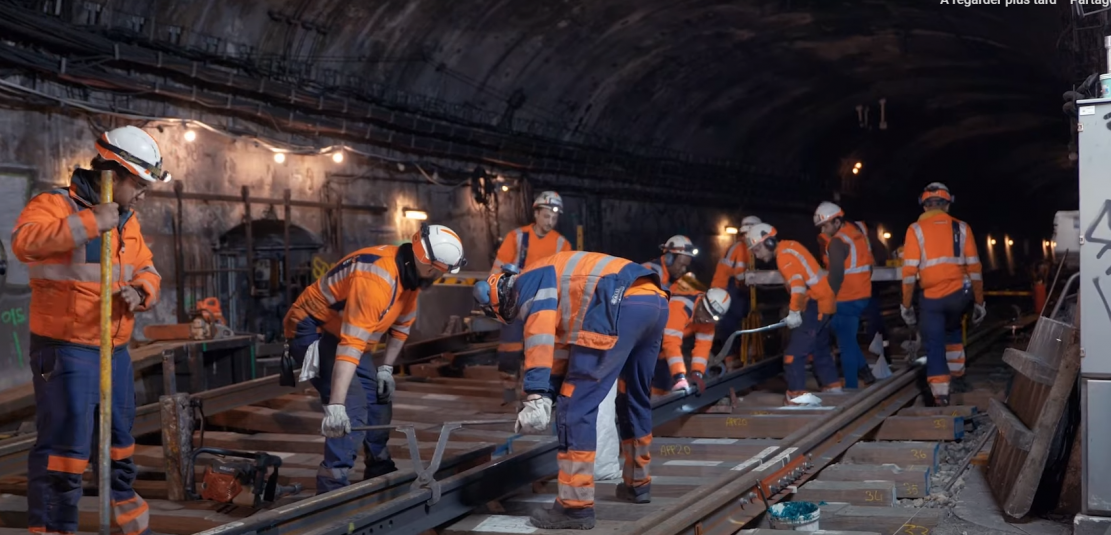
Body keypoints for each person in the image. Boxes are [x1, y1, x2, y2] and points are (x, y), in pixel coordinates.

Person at [14, 125, 169, 535]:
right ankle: (54, 528)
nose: (143, 194)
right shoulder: (54, 203)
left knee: (120, 443)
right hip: (67, 350)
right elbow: (24, 242)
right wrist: (87, 222)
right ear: (113, 175)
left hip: (114, 349)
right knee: (65, 452)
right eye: (139, 184)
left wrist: (141, 291)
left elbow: (148, 268)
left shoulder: (127, 220)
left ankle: (128, 520)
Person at [474, 251, 668, 530]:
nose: (517, 317)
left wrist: (536, 395)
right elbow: (563, 350)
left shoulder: (526, 283)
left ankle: (574, 507)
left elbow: (539, 337)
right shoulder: (556, 279)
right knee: (632, 397)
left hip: (616, 302)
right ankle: (638, 484)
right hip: (653, 301)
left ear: (501, 300)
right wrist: (549, 389)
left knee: (575, 408)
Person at [282, 223, 466, 492]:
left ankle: (378, 463)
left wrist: (386, 369)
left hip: (340, 330)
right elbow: (351, 345)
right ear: (429, 265)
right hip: (312, 328)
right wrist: (335, 405)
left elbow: (401, 326)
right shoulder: (377, 280)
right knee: (352, 403)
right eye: (440, 272)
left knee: (378, 395)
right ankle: (332, 483)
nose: (439, 277)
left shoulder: (410, 275)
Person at [899, 183, 985, 406]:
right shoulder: (962, 228)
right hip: (959, 296)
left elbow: (909, 272)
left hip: (932, 299)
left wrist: (906, 305)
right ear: (947, 206)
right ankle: (958, 378)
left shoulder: (915, 230)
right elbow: (975, 268)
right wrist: (979, 301)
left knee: (934, 341)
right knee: (953, 330)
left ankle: (941, 395)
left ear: (925, 206)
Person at [745, 223, 842, 404]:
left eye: (757, 248)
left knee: (793, 354)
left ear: (770, 243)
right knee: (820, 350)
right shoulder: (789, 247)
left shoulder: (784, 256)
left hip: (815, 304)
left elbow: (798, 286)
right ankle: (833, 387)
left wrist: (794, 313)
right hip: (824, 302)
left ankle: (796, 394)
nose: (756, 254)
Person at [491, 191, 572, 404]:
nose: (550, 221)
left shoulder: (561, 244)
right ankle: (509, 391)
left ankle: (535, 395)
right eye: (546, 216)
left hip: (544, 305)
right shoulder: (517, 238)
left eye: (554, 218)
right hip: (515, 300)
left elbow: (566, 278)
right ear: (536, 213)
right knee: (510, 349)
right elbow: (497, 271)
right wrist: (497, 298)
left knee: (540, 349)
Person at [813, 202, 877, 388]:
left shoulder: (837, 242)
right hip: (862, 294)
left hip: (846, 298)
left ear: (837, 221)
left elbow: (836, 276)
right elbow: (869, 265)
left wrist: (826, 298)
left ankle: (851, 387)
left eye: (825, 226)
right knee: (845, 335)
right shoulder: (856, 234)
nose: (823, 230)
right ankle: (865, 370)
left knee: (845, 344)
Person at [652, 288, 731, 395]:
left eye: (710, 318)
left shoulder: (708, 319)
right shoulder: (680, 307)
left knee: (662, 382)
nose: (705, 319)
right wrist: (679, 376)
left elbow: (702, 348)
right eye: (705, 313)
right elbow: (671, 343)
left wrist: (697, 374)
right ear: (702, 302)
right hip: (645, 337)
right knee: (633, 379)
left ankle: (658, 407)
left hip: (660, 344)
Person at [710, 215, 760, 363]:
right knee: (734, 324)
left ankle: (735, 359)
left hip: (729, 290)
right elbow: (739, 277)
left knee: (733, 325)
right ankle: (733, 360)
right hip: (727, 289)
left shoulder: (744, 247)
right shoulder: (741, 248)